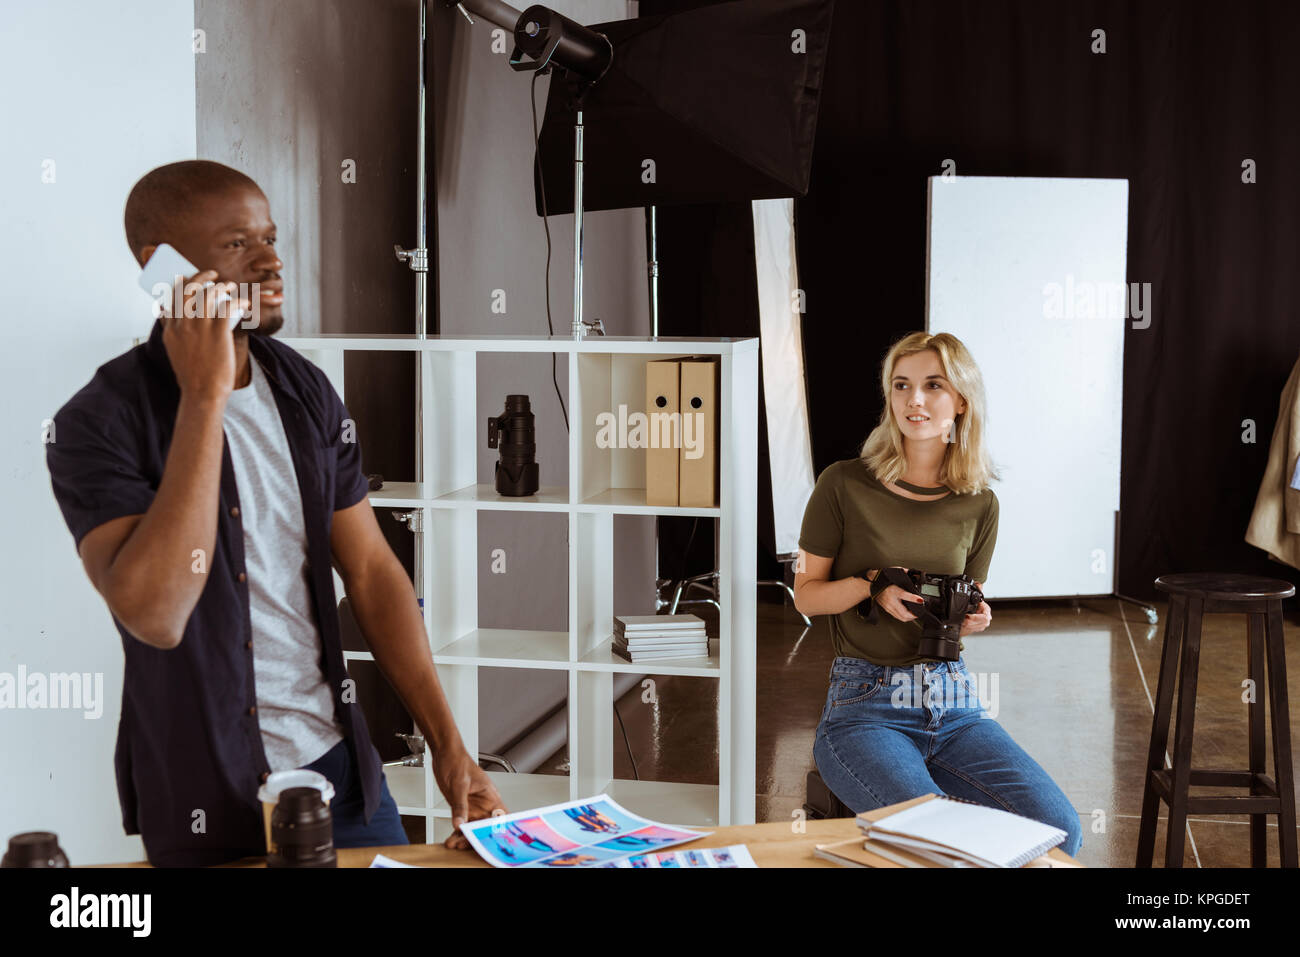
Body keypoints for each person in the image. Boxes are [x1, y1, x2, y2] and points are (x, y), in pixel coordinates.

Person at [45, 159, 504, 866]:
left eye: (270, 236)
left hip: (340, 781)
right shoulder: (98, 423)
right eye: (237, 243)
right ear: (160, 266)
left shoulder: (305, 390)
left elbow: (375, 572)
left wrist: (451, 747)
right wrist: (205, 399)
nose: (271, 259)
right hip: (205, 796)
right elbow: (158, 611)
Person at [793, 331, 1082, 857]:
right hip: (864, 707)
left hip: (955, 703)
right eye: (901, 386)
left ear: (961, 401)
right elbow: (806, 597)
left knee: (1059, 830)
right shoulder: (843, 484)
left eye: (932, 385)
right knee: (934, 841)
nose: (914, 400)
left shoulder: (979, 504)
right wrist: (871, 585)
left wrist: (975, 616)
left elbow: (966, 598)